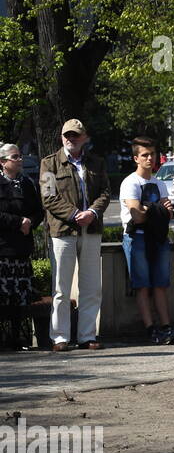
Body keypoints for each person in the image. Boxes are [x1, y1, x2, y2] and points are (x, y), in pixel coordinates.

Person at [40, 119, 111, 351]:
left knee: (91, 286)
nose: (71, 139)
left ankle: (87, 335)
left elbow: (105, 192)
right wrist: (73, 214)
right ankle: (60, 337)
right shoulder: (49, 163)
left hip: (91, 229)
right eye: (67, 135)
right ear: (62, 137)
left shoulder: (96, 163)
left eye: (76, 135)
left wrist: (91, 212)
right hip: (63, 231)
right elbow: (48, 197)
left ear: (85, 138)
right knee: (61, 287)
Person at [120, 137, 174, 344]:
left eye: (152, 154)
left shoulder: (159, 183)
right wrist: (157, 210)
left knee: (160, 284)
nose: (149, 158)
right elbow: (137, 216)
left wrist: (149, 209)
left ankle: (166, 326)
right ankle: (150, 328)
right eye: (144, 155)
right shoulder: (130, 182)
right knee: (143, 285)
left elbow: (169, 215)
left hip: (158, 238)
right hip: (136, 238)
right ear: (136, 158)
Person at [0, 143, 43, 350]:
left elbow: (38, 210)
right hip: (3, 249)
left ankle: (19, 337)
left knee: (20, 297)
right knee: (3, 297)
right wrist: (18, 222)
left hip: (22, 249)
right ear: (2, 162)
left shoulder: (27, 183)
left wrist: (30, 223)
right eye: (14, 157)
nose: (19, 160)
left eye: (20, 156)